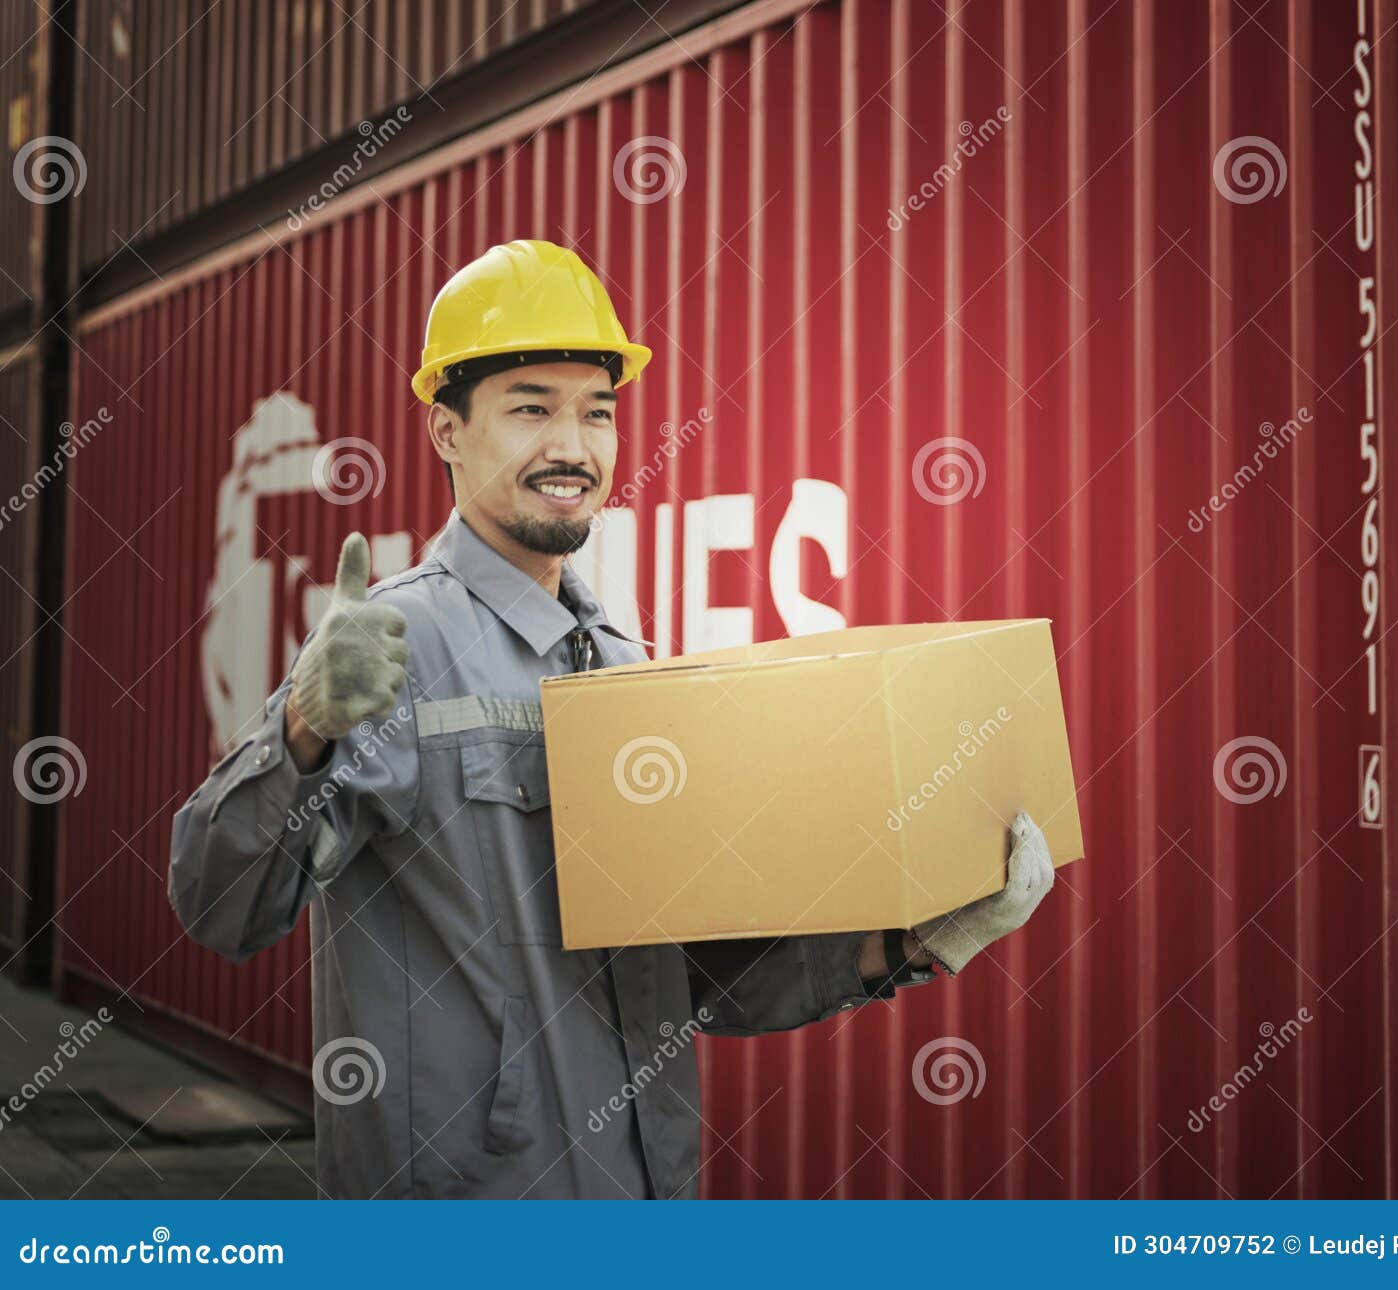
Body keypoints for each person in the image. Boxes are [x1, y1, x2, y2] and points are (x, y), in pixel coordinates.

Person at [168, 240, 1056, 1199]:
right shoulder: (395, 646)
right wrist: (302, 726)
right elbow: (221, 905)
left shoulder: (625, 667)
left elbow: (697, 985)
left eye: (597, 412)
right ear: (447, 432)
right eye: (530, 408)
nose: (573, 447)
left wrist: (915, 938)